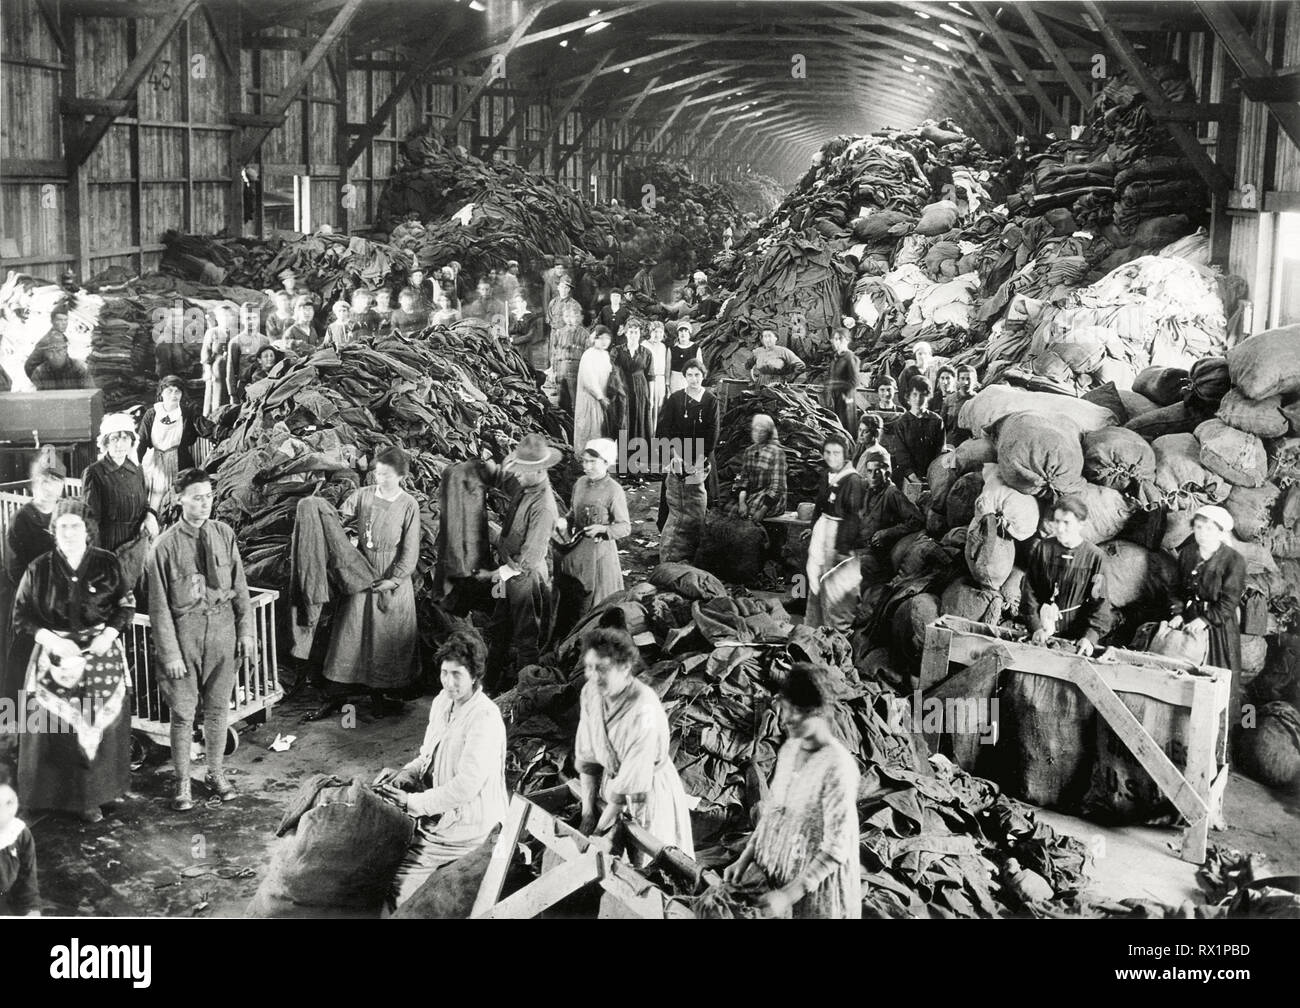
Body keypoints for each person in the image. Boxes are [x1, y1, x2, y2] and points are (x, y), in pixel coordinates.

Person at [13, 498, 134, 824]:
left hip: (99, 653)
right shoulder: (38, 568)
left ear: (88, 530)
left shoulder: (107, 562)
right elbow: (20, 616)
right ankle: (60, 800)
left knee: (101, 727)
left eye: (76, 526)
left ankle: (97, 796)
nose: (69, 532)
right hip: (55, 656)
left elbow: (126, 605)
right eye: (62, 526)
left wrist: (109, 634)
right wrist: (50, 639)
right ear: (54, 531)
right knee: (52, 727)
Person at [374, 630, 507, 911]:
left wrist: (413, 803)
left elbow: (465, 787)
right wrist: (408, 773)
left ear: (474, 676)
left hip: (470, 825)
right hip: (440, 814)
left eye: (457, 674)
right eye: (444, 673)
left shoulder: (484, 718)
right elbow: (427, 754)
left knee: (396, 882)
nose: (449, 682)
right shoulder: (441, 703)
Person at [147, 469, 255, 810]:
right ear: (180, 499)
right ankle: (182, 783)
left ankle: (215, 773)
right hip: (185, 633)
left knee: (218, 710)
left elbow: (240, 588)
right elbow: (159, 608)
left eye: (209, 496)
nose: (205, 503)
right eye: (197, 496)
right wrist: (171, 654)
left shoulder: (224, 534)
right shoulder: (163, 547)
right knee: (182, 714)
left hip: (222, 630)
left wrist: (247, 632)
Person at [722, 663, 861, 919]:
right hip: (780, 870)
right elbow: (772, 813)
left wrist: (788, 895)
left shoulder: (838, 767)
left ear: (817, 712)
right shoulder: (789, 750)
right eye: (784, 710)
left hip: (816, 887)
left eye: (794, 712)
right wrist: (743, 859)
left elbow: (835, 850)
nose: (785, 719)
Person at [311, 447, 422, 720]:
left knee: (385, 638)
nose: (379, 479)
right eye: (377, 473)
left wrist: (394, 580)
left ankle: (381, 696)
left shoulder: (409, 504)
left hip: (391, 577)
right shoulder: (363, 496)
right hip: (363, 572)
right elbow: (338, 519)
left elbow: (410, 550)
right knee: (351, 634)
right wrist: (320, 512)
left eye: (386, 475)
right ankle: (340, 693)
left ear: (401, 476)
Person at [575, 615, 695, 861]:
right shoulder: (590, 693)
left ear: (625, 668)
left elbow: (630, 786)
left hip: (647, 792)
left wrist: (599, 830)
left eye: (603, 669)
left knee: (645, 870)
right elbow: (587, 756)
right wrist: (587, 813)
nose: (594, 676)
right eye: (589, 667)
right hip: (613, 786)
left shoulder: (644, 707)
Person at [478, 434, 561, 694]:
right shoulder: (527, 487)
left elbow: (531, 557)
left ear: (538, 471)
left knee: (527, 636)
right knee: (500, 628)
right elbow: (506, 478)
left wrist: (493, 574)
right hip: (510, 574)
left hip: (525, 577)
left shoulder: (544, 506)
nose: (518, 476)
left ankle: (527, 692)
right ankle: (489, 685)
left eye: (523, 472)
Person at [1168, 504, 1248, 731]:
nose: (1202, 533)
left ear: (1221, 532)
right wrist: (1177, 613)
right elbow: (1175, 589)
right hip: (1189, 621)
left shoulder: (1234, 560)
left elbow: (1229, 601)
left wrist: (1204, 621)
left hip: (1218, 628)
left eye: (1209, 529)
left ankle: (1220, 734)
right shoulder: (1186, 554)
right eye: (1198, 527)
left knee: (1217, 676)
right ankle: (1184, 730)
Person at [1, 450, 64, 709]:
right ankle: (11, 728)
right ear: (35, 484)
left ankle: (50, 730)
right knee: (21, 665)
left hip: (60, 602)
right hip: (28, 601)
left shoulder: (65, 514)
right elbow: (16, 570)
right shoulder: (20, 521)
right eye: (43, 482)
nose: (49, 489)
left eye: (55, 482)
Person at [555, 439, 631, 636]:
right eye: (584, 461)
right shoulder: (580, 483)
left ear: (606, 462)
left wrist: (603, 529)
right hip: (579, 553)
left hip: (601, 557)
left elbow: (625, 527)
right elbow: (573, 512)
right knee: (574, 603)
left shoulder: (613, 490)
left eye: (592, 462)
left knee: (598, 610)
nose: (586, 467)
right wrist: (565, 521)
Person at [1025, 496, 1112, 657]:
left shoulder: (1094, 557)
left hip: (1076, 637)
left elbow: (1099, 602)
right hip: (1043, 630)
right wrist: (1036, 626)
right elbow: (1029, 590)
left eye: (1066, 523)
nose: (1059, 528)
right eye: (1057, 521)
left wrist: (1089, 638)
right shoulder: (1043, 549)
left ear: (1081, 524)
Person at [655, 360, 717, 561]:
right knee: (672, 498)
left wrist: (701, 459)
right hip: (677, 455)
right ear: (684, 376)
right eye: (689, 375)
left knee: (695, 498)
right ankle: (668, 543)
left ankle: (694, 545)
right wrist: (673, 453)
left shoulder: (710, 400)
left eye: (697, 375)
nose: (693, 379)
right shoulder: (675, 399)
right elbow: (664, 427)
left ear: (703, 376)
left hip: (700, 455)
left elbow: (713, 431)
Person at [802, 435, 864, 629]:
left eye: (836, 453)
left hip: (839, 535)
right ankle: (814, 630)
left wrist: (842, 549)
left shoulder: (853, 480)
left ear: (845, 455)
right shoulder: (826, 475)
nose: (831, 457)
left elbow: (853, 517)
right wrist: (812, 529)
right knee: (817, 582)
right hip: (823, 531)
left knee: (836, 589)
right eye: (827, 452)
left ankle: (835, 636)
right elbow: (819, 506)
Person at [137, 375, 213, 516]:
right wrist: (135, 467)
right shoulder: (151, 414)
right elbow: (140, 444)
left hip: (180, 464)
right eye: (169, 391)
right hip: (156, 467)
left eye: (177, 391)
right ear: (161, 393)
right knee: (155, 504)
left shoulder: (186, 413)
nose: (174, 394)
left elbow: (206, 428)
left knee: (180, 505)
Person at [82, 413, 158, 553]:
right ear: (105, 442)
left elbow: (143, 504)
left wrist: (149, 515)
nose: (120, 444)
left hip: (136, 543)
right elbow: (91, 520)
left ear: (132, 442)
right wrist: (97, 555)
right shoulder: (95, 473)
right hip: (109, 544)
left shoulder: (136, 469)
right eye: (114, 439)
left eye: (125, 438)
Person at [856, 455, 923, 585]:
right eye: (869, 472)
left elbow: (917, 520)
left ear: (886, 474)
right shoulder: (868, 491)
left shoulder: (892, 493)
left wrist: (887, 533)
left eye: (877, 472)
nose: (873, 476)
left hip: (878, 556)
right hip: (861, 547)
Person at [732, 414, 788, 521]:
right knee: (731, 510)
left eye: (762, 431)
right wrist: (741, 503)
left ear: (768, 433)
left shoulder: (777, 452)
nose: (758, 434)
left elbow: (777, 486)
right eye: (755, 430)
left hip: (771, 498)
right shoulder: (749, 451)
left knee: (751, 513)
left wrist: (762, 511)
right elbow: (743, 479)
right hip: (754, 494)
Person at [892, 377, 945, 489]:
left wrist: (932, 476)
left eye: (923, 395)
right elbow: (902, 455)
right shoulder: (901, 423)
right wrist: (913, 478)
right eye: (915, 394)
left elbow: (939, 451)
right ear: (908, 396)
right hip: (908, 476)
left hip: (932, 475)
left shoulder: (936, 421)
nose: (918, 399)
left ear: (928, 396)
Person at [0, 773, 40, 915]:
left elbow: (27, 877)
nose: (5, 812)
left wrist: (31, 908)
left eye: (10, 802)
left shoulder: (19, 833)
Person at [614, 319, 654, 449]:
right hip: (623, 389)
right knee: (624, 418)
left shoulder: (646, 353)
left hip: (641, 389)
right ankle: (624, 453)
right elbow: (611, 371)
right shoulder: (617, 350)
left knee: (640, 416)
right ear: (625, 333)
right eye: (630, 332)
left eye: (636, 332)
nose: (633, 335)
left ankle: (640, 452)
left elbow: (651, 377)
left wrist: (651, 397)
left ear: (640, 334)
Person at [574, 327, 614, 452]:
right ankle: (584, 457)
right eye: (601, 338)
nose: (604, 342)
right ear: (595, 339)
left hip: (603, 396)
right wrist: (600, 396)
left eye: (607, 338)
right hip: (590, 398)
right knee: (589, 427)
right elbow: (588, 379)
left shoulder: (606, 355)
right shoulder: (589, 354)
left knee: (600, 428)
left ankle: (598, 457)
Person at [226, 303, 271, 404]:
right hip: (243, 389)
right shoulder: (236, 342)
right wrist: (232, 394)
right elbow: (231, 370)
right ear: (242, 320)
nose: (251, 321)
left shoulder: (265, 341)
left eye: (254, 318)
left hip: (263, 387)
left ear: (258, 319)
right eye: (248, 318)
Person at [549, 299, 587, 414]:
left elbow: (587, 356)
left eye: (573, 316)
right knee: (562, 402)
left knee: (577, 402)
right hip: (562, 371)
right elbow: (554, 353)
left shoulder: (584, 334)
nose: (570, 320)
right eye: (566, 316)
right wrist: (554, 371)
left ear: (579, 317)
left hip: (577, 372)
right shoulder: (559, 333)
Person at [822, 327, 861, 440]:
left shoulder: (850, 358)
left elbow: (854, 382)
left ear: (847, 340)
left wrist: (834, 385)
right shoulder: (836, 358)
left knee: (846, 427)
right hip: (835, 398)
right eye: (835, 339)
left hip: (846, 398)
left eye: (841, 339)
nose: (837, 341)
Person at [200, 305, 235, 416]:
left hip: (231, 371)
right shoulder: (212, 332)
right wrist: (209, 371)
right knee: (215, 397)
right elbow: (206, 354)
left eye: (229, 316)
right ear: (217, 318)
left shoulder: (236, 333)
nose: (226, 319)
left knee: (230, 396)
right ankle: (212, 420)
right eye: (223, 316)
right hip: (216, 371)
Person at [508, 290, 547, 386]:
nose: (518, 304)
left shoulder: (531, 317)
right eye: (516, 302)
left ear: (524, 303)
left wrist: (514, 340)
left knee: (525, 369)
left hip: (524, 347)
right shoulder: (512, 315)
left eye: (520, 302)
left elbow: (530, 336)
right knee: (513, 368)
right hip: (513, 348)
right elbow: (509, 330)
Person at [24, 307, 71, 378]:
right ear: (52, 321)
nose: (64, 323)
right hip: (38, 374)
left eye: (65, 320)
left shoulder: (56, 334)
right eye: (60, 320)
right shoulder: (54, 338)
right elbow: (59, 364)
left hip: (39, 372)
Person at [948, 364, 979, 446]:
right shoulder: (949, 400)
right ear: (958, 380)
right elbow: (942, 425)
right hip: (951, 443)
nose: (966, 382)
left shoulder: (978, 400)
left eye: (969, 379)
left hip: (970, 444)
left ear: (975, 381)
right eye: (962, 378)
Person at [645, 319, 670, 420]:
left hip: (661, 380)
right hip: (648, 380)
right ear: (650, 332)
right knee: (648, 407)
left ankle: (654, 433)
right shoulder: (644, 345)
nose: (658, 335)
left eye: (660, 332)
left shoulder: (663, 347)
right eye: (655, 332)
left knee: (659, 407)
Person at [668, 320, 699, 396]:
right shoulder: (672, 349)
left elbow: (700, 368)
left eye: (686, 331)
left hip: (691, 380)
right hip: (675, 381)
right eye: (681, 331)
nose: (683, 333)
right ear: (678, 334)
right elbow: (667, 368)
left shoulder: (696, 348)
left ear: (689, 334)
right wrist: (667, 385)